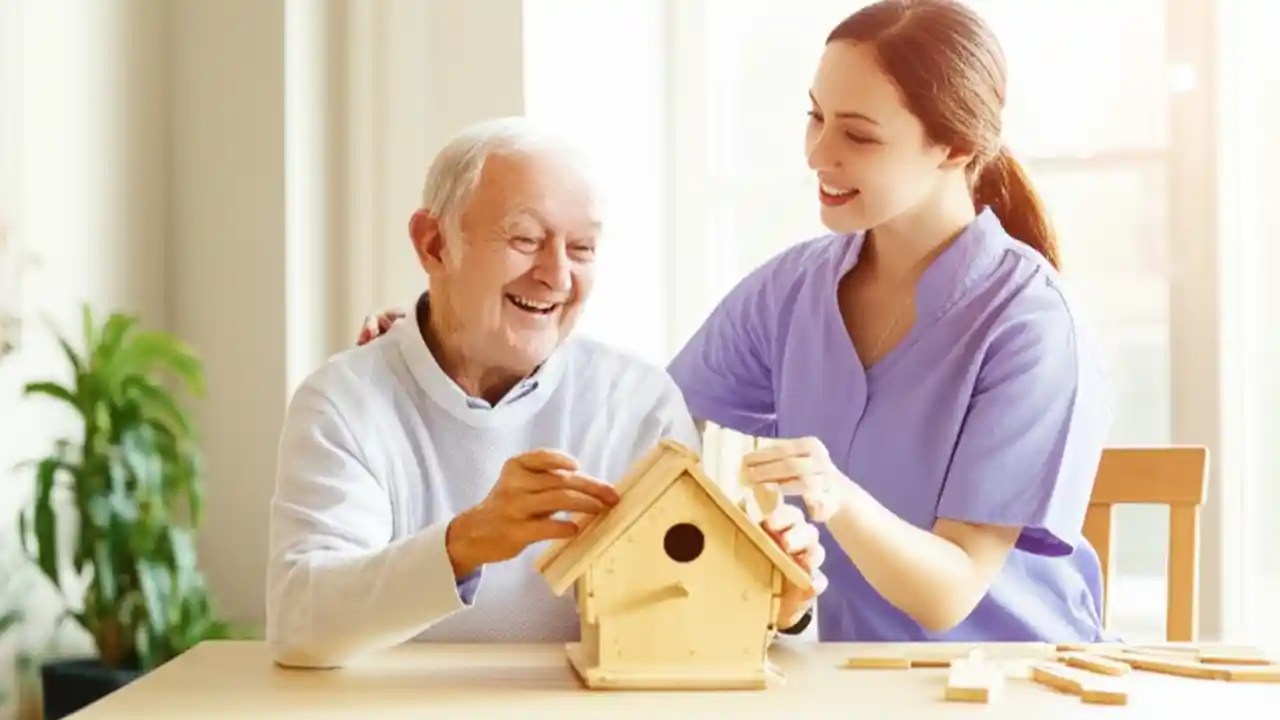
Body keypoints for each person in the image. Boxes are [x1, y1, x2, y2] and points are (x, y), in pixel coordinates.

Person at [357, 0, 1113, 644]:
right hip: (839, 680)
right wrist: (443, 340)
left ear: (955, 146)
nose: (819, 151)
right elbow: (638, 424)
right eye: (815, 118)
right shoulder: (794, 289)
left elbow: (949, 596)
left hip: (1014, 682)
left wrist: (835, 496)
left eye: (859, 134)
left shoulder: (1029, 324)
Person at [266, 118, 824, 669]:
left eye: (581, 249)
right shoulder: (345, 401)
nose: (556, 276)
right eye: (526, 239)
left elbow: (692, 620)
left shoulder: (637, 402)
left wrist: (781, 607)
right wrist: (465, 543)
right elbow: (301, 623)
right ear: (434, 244)